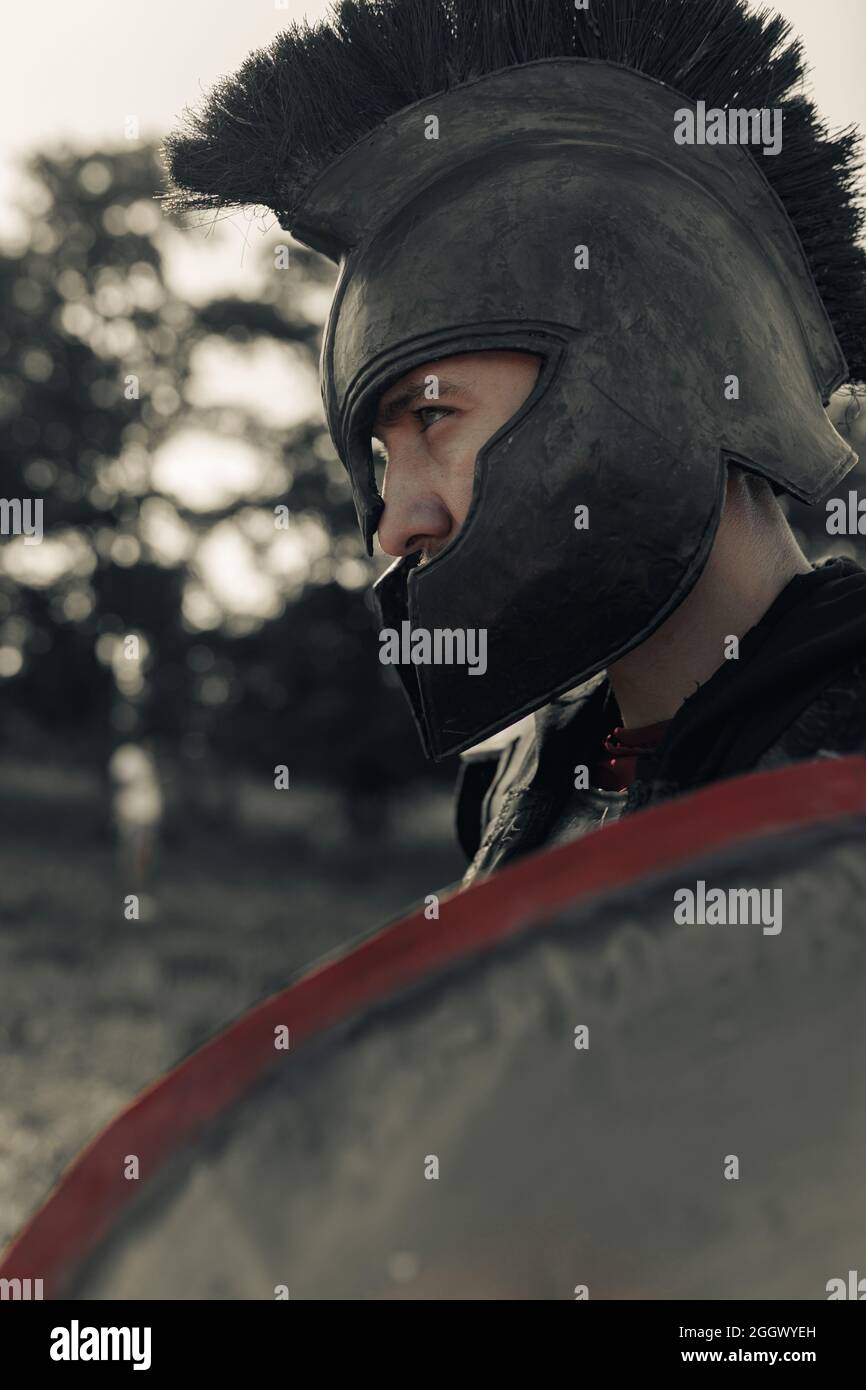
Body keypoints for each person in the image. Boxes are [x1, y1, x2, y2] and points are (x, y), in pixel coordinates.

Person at [165, 0, 866, 884]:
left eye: (433, 418)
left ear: (652, 361)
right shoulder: (516, 792)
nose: (395, 524)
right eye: (382, 457)